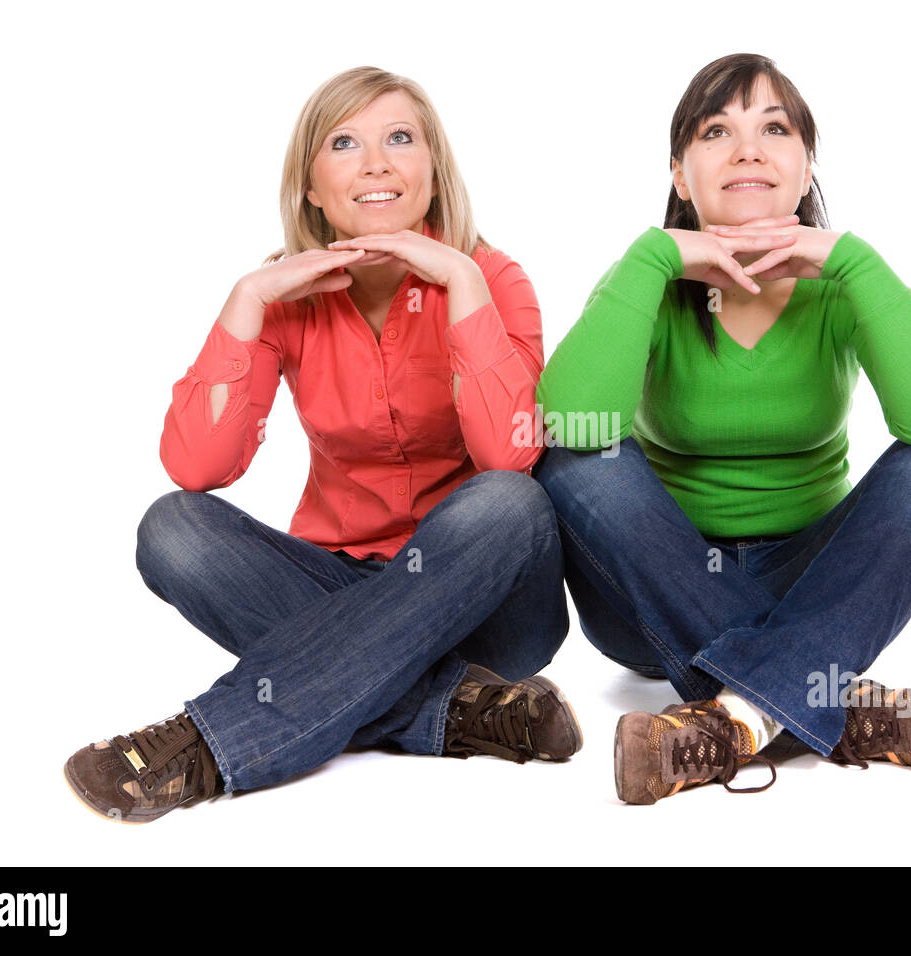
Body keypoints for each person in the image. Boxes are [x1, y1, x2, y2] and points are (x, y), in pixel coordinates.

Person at [64, 67, 578, 823]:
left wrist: (462, 286)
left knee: (510, 500)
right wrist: (246, 302)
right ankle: (455, 709)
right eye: (345, 143)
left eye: (400, 139)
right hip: (333, 584)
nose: (376, 162)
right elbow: (197, 467)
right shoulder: (284, 295)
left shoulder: (492, 278)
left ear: (431, 171)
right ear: (310, 185)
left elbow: (509, 455)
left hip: (487, 603)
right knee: (171, 528)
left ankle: (210, 741)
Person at [532, 53, 911, 805]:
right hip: (653, 591)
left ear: (806, 167)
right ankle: (828, 700)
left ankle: (731, 721)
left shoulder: (841, 285)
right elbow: (573, 422)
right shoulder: (648, 279)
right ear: (681, 174)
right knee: (577, 462)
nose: (747, 148)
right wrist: (655, 256)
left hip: (809, 582)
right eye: (718, 130)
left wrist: (852, 261)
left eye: (774, 128)